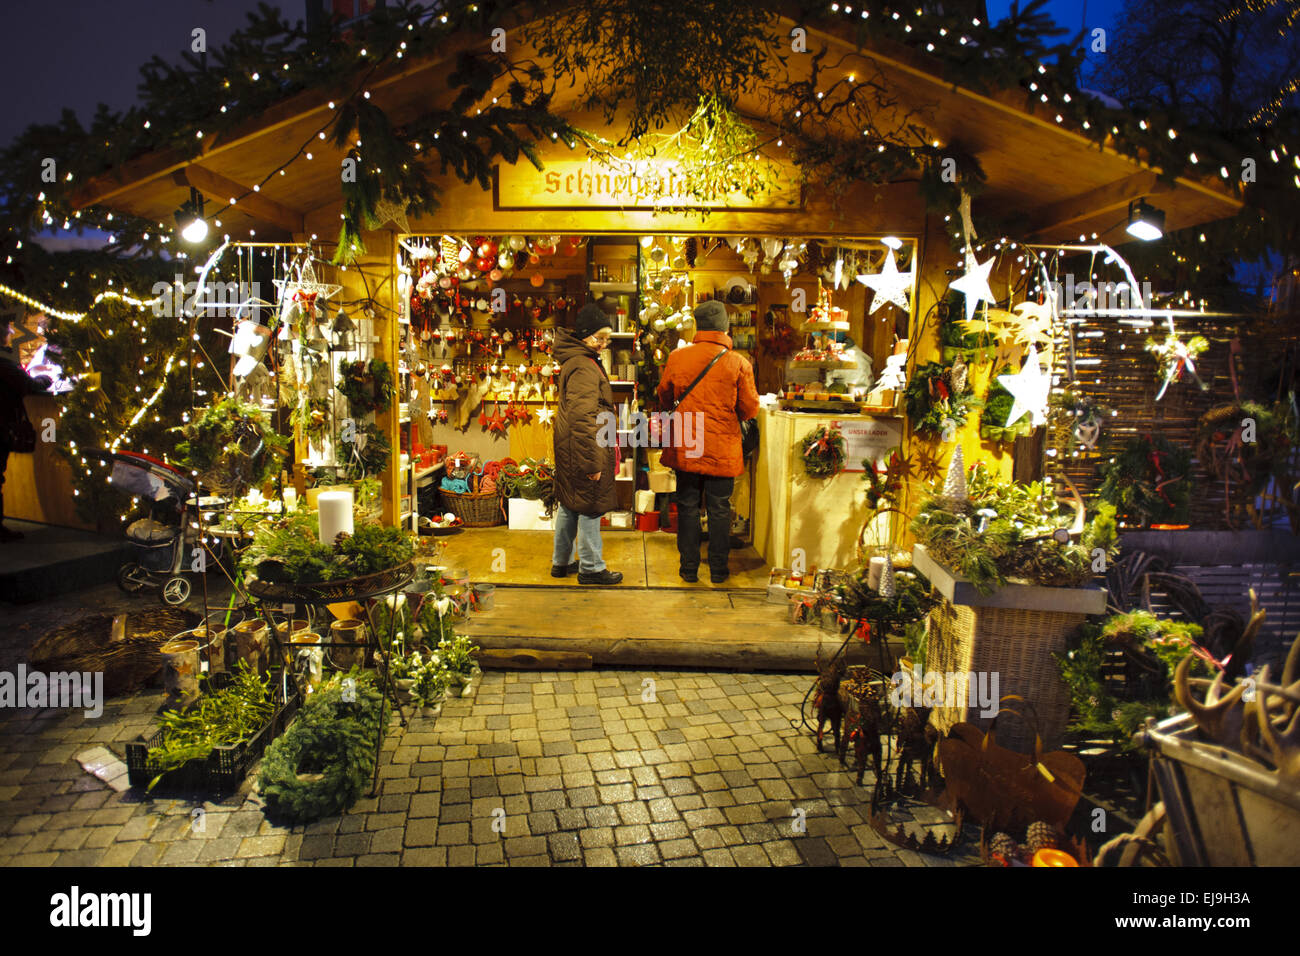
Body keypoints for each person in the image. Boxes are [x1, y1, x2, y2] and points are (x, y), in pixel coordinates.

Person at [657, 300, 760, 584]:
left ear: (698, 326)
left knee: (688, 505)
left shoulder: (678, 357)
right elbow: (749, 409)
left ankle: (688, 569)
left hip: (687, 442)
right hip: (722, 447)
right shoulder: (739, 363)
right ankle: (718, 570)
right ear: (725, 327)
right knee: (719, 508)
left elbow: (665, 395)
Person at [550, 303, 622, 585]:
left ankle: (562, 562)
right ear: (583, 336)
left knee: (570, 503)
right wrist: (592, 463)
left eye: (606, 338)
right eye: (598, 338)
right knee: (591, 504)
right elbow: (583, 418)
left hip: (571, 447)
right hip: (584, 447)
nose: (603, 344)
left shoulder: (578, 360)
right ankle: (591, 568)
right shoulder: (583, 366)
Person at [0, 320, 52, 542]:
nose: (11, 331)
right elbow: (29, 385)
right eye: (7, 328)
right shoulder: (4, 363)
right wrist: (45, 378)